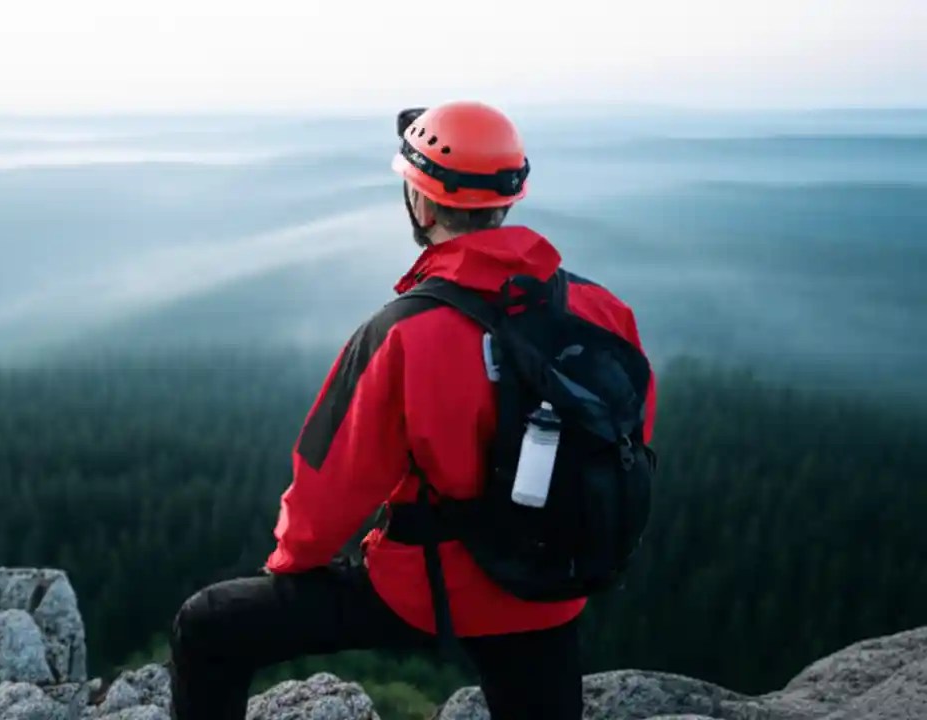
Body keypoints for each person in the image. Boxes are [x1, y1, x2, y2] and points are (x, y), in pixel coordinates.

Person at [168, 100, 657, 719]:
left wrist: (290, 564)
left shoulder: (404, 332)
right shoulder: (602, 310)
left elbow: (331, 482)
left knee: (207, 627)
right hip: (547, 591)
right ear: (508, 198)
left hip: (420, 589)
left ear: (421, 204)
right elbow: (627, 438)